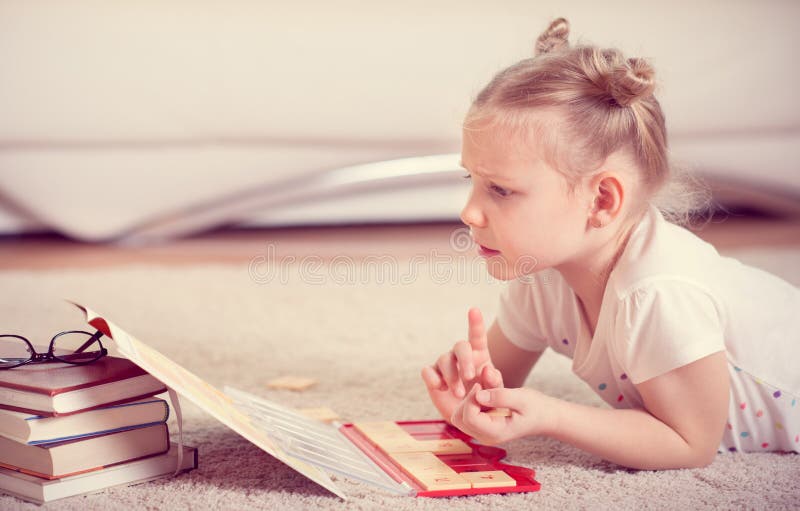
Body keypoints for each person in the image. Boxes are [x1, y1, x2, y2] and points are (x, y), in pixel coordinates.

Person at [421, 17, 799, 470]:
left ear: (601, 199)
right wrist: (472, 395)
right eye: (472, 180)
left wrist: (553, 416)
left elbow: (688, 443)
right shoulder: (541, 279)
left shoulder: (657, 292)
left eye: (500, 189)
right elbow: (494, 387)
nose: (469, 212)